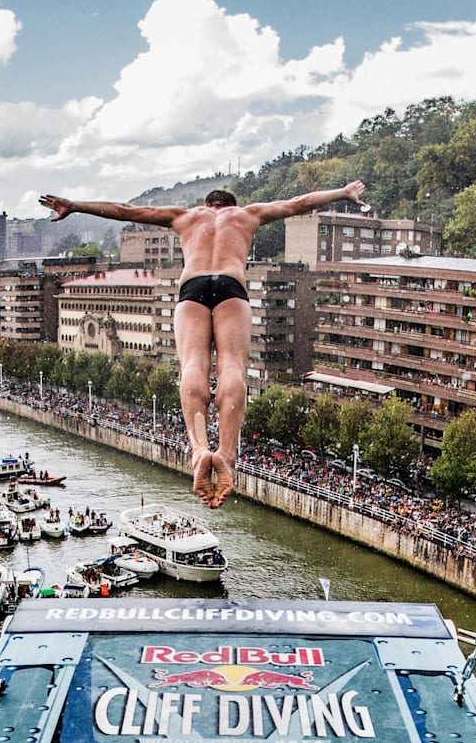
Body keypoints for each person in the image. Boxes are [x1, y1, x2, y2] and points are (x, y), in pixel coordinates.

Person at [39, 180, 368, 507]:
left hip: (193, 288)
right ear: (230, 206)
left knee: (194, 365)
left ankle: (199, 450)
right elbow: (299, 202)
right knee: (232, 367)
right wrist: (342, 193)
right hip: (231, 286)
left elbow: (126, 212)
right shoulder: (247, 215)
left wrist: (75, 204)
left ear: (207, 205)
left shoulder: (184, 216)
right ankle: (225, 452)